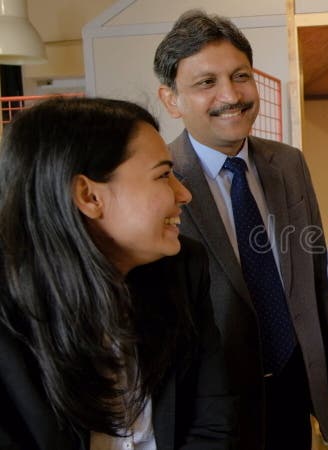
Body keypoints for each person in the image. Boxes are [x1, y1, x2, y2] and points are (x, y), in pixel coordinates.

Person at [153, 10, 328, 450]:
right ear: (171, 100)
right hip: (209, 409)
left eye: (239, 76)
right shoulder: (159, 180)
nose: (231, 95)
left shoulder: (288, 162)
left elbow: (318, 281)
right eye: (206, 83)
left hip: (292, 382)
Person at [0, 97, 235, 448]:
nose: (183, 194)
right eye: (163, 175)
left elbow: (214, 425)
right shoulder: (10, 319)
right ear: (89, 196)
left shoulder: (183, 270)